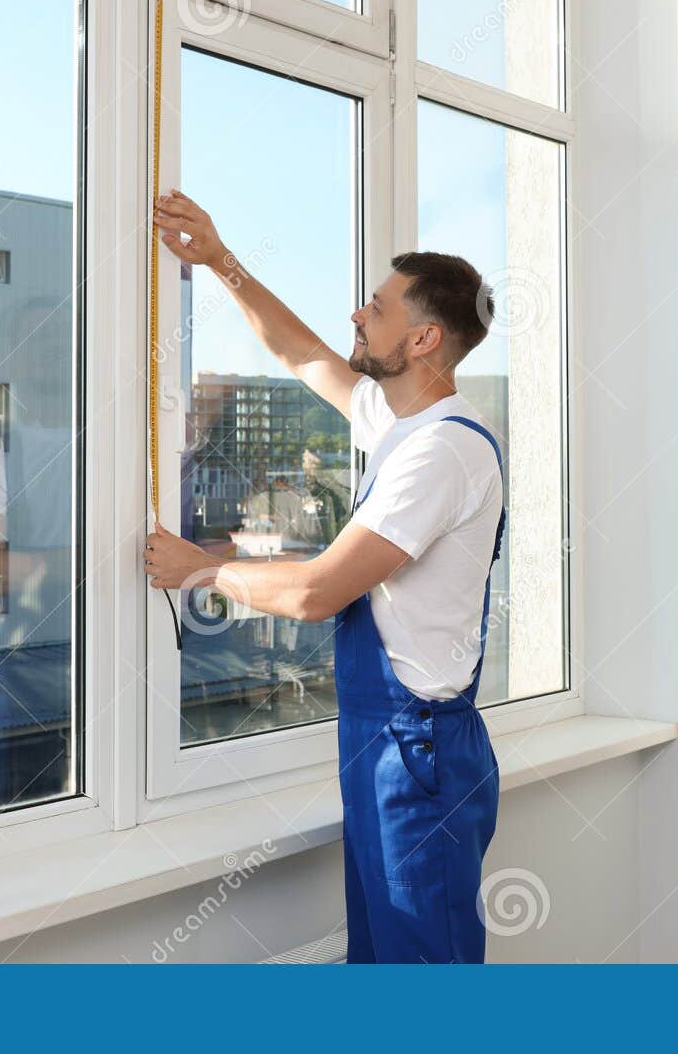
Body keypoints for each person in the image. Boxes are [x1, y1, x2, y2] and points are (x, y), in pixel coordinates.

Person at [145, 190, 506, 964]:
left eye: (376, 308)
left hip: (420, 757)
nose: (356, 315)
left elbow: (316, 592)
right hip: (382, 746)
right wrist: (219, 259)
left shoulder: (443, 451)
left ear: (423, 339)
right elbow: (302, 354)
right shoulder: (399, 422)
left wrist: (203, 568)